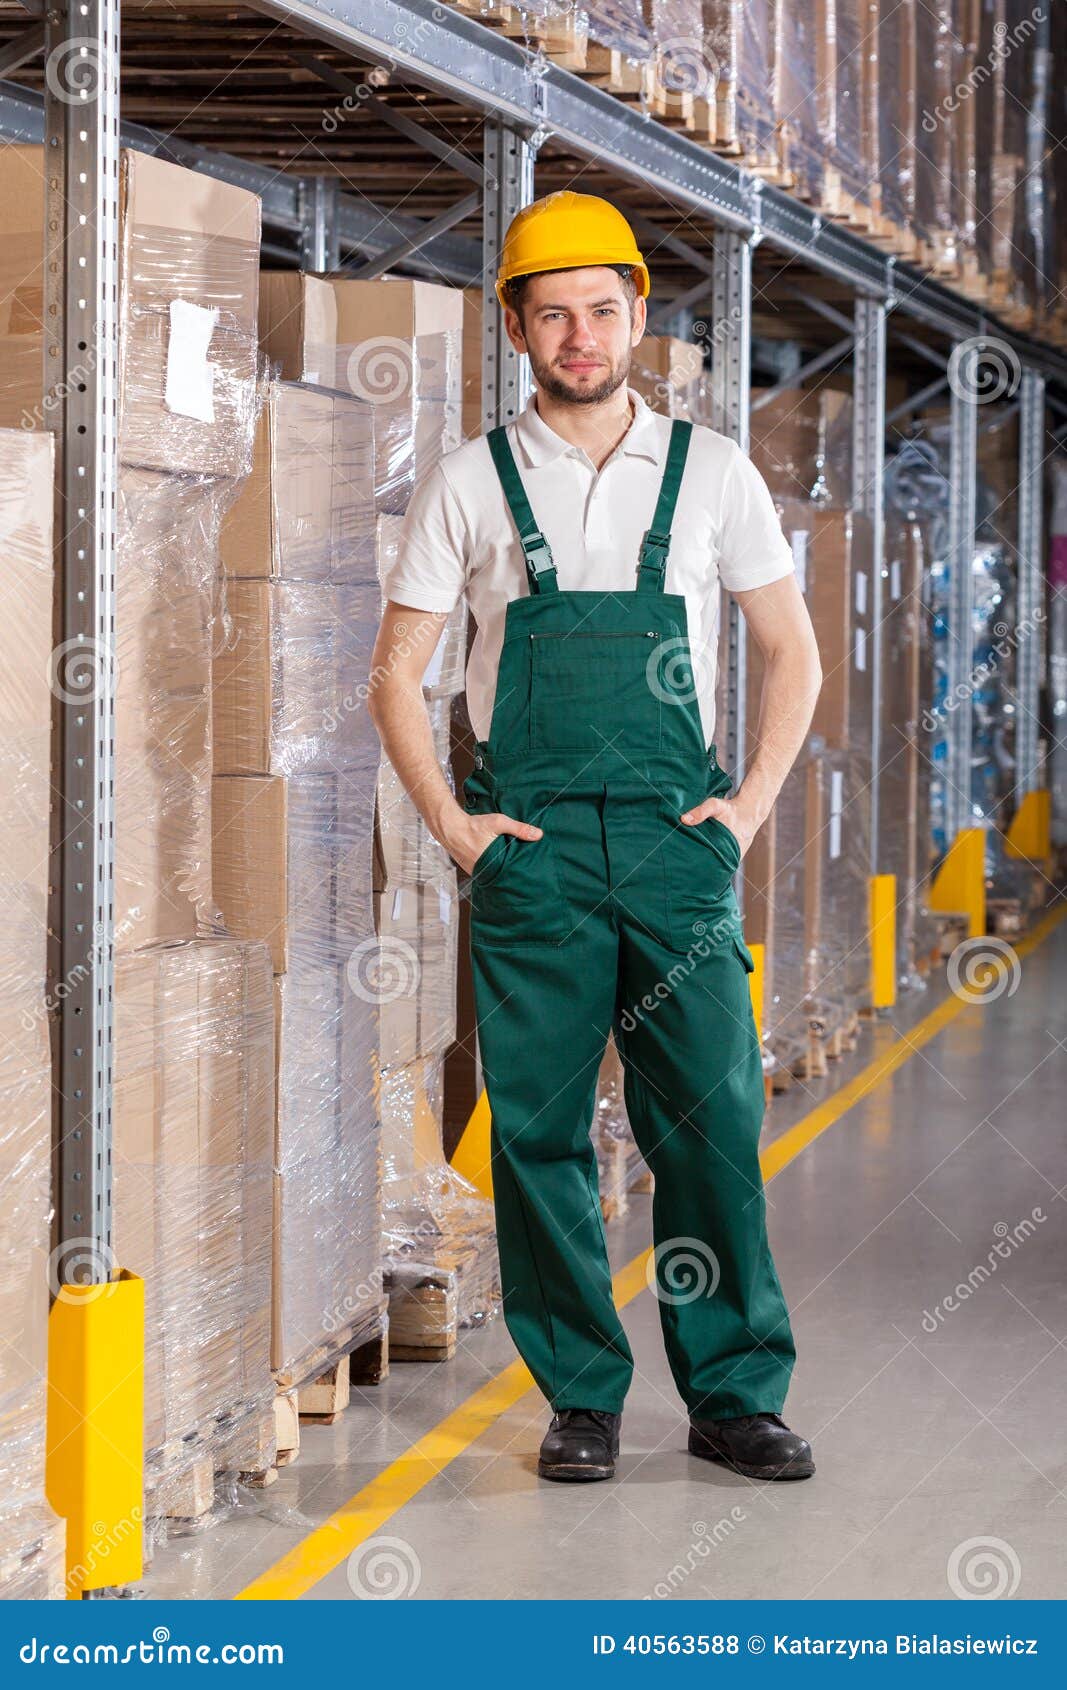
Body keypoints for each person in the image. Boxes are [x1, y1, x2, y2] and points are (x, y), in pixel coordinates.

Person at [369, 191, 822, 1485]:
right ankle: (581, 1395)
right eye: (555, 313)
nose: (582, 335)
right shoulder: (470, 482)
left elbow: (793, 653)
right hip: (537, 851)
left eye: (603, 310)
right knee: (538, 1135)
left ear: (637, 315)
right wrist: (458, 829)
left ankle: (735, 1395)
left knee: (712, 1125)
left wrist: (745, 812)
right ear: (516, 327)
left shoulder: (712, 472)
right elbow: (394, 674)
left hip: (679, 845)